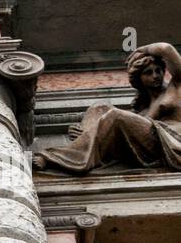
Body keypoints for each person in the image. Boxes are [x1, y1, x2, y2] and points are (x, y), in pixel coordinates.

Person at [33, 42, 181, 175]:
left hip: (172, 143)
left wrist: (143, 49)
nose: (155, 75)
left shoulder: (175, 87)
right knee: (100, 107)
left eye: (158, 70)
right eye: (148, 72)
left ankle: (53, 157)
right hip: (148, 146)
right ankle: (83, 142)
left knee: (115, 116)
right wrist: (89, 131)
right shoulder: (141, 111)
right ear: (139, 79)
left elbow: (165, 48)